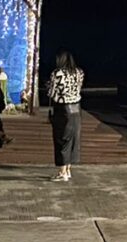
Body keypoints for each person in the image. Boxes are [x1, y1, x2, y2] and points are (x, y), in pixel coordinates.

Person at [46, 50, 84, 182]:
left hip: (63, 109)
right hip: (76, 108)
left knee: (61, 139)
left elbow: (52, 93)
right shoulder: (79, 72)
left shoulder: (58, 73)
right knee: (73, 139)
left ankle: (62, 172)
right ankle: (68, 169)